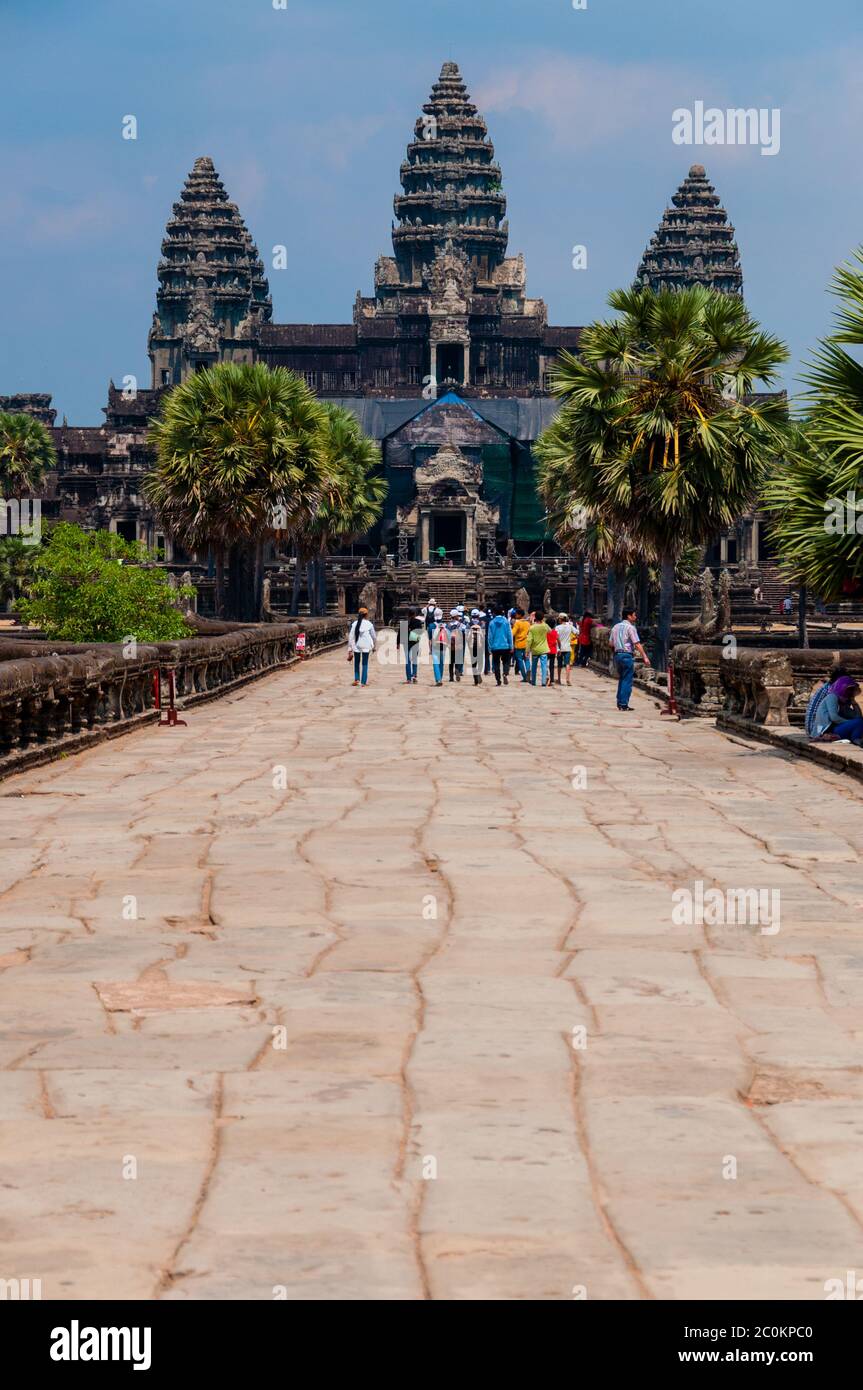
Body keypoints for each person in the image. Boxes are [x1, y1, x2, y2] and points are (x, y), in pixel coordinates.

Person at [609, 606, 651, 710]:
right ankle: (623, 704)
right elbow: (637, 644)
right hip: (626, 655)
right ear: (629, 616)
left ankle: (620, 701)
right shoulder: (631, 628)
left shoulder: (615, 627)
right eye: (634, 615)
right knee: (627, 680)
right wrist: (645, 657)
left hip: (618, 654)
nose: (635, 617)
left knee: (622, 678)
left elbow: (610, 643)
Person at [807, 673, 863, 744]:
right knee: (858, 722)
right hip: (823, 730)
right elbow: (834, 717)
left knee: (859, 721)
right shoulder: (832, 697)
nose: (850, 693)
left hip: (836, 729)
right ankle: (856, 739)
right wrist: (849, 722)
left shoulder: (844, 704)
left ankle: (854, 738)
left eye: (851, 691)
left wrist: (853, 702)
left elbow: (857, 717)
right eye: (849, 690)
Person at [348, 607, 376, 686]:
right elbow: (374, 636)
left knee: (357, 663)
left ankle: (357, 679)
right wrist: (374, 646)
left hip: (357, 645)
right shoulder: (369, 624)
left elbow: (351, 636)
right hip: (366, 646)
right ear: (366, 615)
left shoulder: (354, 624)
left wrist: (350, 648)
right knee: (365, 663)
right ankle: (363, 682)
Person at [487, 607, 514, 686]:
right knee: (506, 662)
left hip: (495, 647)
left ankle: (498, 680)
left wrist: (489, 647)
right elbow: (509, 634)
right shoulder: (506, 622)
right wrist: (511, 646)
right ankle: (505, 673)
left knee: (496, 664)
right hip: (505, 646)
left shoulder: (492, 622)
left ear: (494, 613)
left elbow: (490, 637)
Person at [526, 611, 552, 687]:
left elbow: (529, 640)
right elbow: (550, 631)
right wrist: (543, 622)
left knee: (534, 666)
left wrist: (527, 650)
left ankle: (533, 681)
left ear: (535, 618)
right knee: (544, 666)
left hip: (535, 649)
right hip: (544, 649)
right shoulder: (545, 626)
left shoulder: (532, 627)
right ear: (543, 618)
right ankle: (543, 681)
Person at [402, 611, 424, 683]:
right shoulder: (418, 621)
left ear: (408, 614)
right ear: (414, 614)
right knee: (414, 659)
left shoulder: (405, 622)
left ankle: (408, 678)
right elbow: (420, 631)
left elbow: (401, 633)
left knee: (408, 660)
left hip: (406, 641)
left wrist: (398, 643)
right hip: (415, 640)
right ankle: (414, 675)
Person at [555, 612, 575, 688]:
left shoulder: (557, 627)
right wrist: (571, 638)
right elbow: (577, 632)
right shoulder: (570, 626)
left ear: (560, 619)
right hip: (567, 647)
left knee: (559, 664)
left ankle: (559, 679)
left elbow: (556, 637)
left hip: (559, 648)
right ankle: (567, 679)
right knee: (567, 664)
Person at [511, 608, 531, 682]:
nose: (515, 615)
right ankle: (528, 670)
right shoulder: (528, 623)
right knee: (527, 659)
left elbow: (512, 633)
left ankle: (525, 676)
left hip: (518, 644)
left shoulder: (517, 623)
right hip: (526, 644)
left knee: (519, 660)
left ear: (519, 615)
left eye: (516, 614)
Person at [430, 608, 447, 687]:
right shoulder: (445, 625)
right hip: (443, 645)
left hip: (435, 645)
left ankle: (438, 679)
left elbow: (430, 638)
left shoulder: (431, 626)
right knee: (441, 663)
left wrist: (430, 648)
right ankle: (441, 678)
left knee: (436, 663)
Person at [447, 608, 466, 683]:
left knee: (451, 661)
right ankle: (457, 670)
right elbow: (465, 631)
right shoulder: (461, 625)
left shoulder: (448, 625)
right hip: (459, 644)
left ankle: (451, 677)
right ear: (456, 616)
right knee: (458, 659)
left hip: (451, 644)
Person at [546, 621, 560, 688]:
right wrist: (560, 648)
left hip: (546, 650)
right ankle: (552, 680)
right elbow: (558, 640)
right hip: (553, 651)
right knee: (552, 666)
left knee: (545, 665)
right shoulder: (555, 632)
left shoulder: (546, 632)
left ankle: (546, 677)